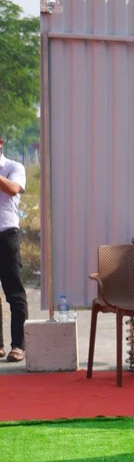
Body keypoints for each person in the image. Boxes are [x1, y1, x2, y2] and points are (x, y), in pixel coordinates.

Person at [0, 134, 27, 363]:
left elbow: (13, 188)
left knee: (14, 292)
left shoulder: (13, 167)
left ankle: (18, 345)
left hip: (7, 234)